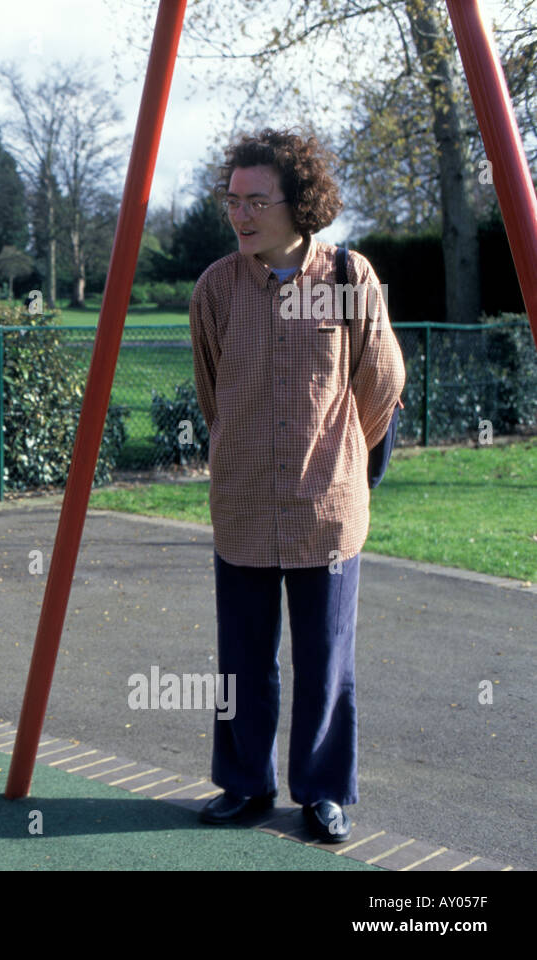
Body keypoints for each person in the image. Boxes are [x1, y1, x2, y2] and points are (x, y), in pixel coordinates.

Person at [188, 129, 405, 842]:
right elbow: (212, 392)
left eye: (256, 201)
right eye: (232, 201)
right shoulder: (217, 288)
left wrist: (344, 464)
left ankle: (321, 792)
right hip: (245, 504)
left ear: (299, 202)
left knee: (325, 660)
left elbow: (379, 385)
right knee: (243, 660)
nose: (241, 214)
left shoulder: (349, 278)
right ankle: (245, 785)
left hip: (326, 507)